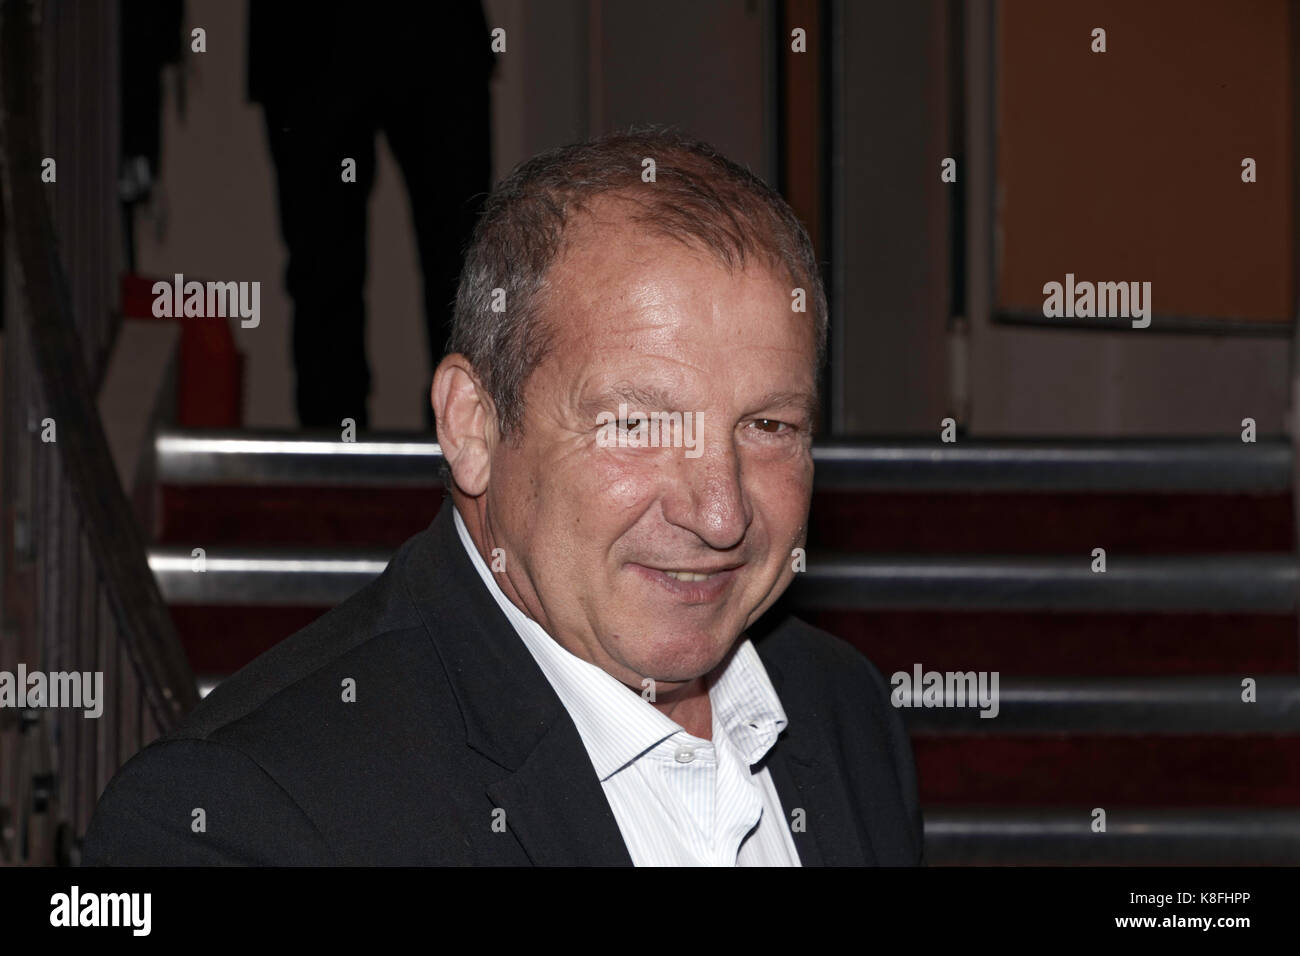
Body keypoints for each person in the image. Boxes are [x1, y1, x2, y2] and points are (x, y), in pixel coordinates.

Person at [82, 127, 924, 866]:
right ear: (473, 429)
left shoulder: (839, 711)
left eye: (769, 426)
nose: (721, 512)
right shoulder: (241, 818)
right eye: (636, 424)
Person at [249, 0, 494, 429]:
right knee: (322, 263)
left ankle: (457, 436)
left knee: (460, 258)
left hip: (423, 32)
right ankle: (334, 450)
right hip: (311, 36)